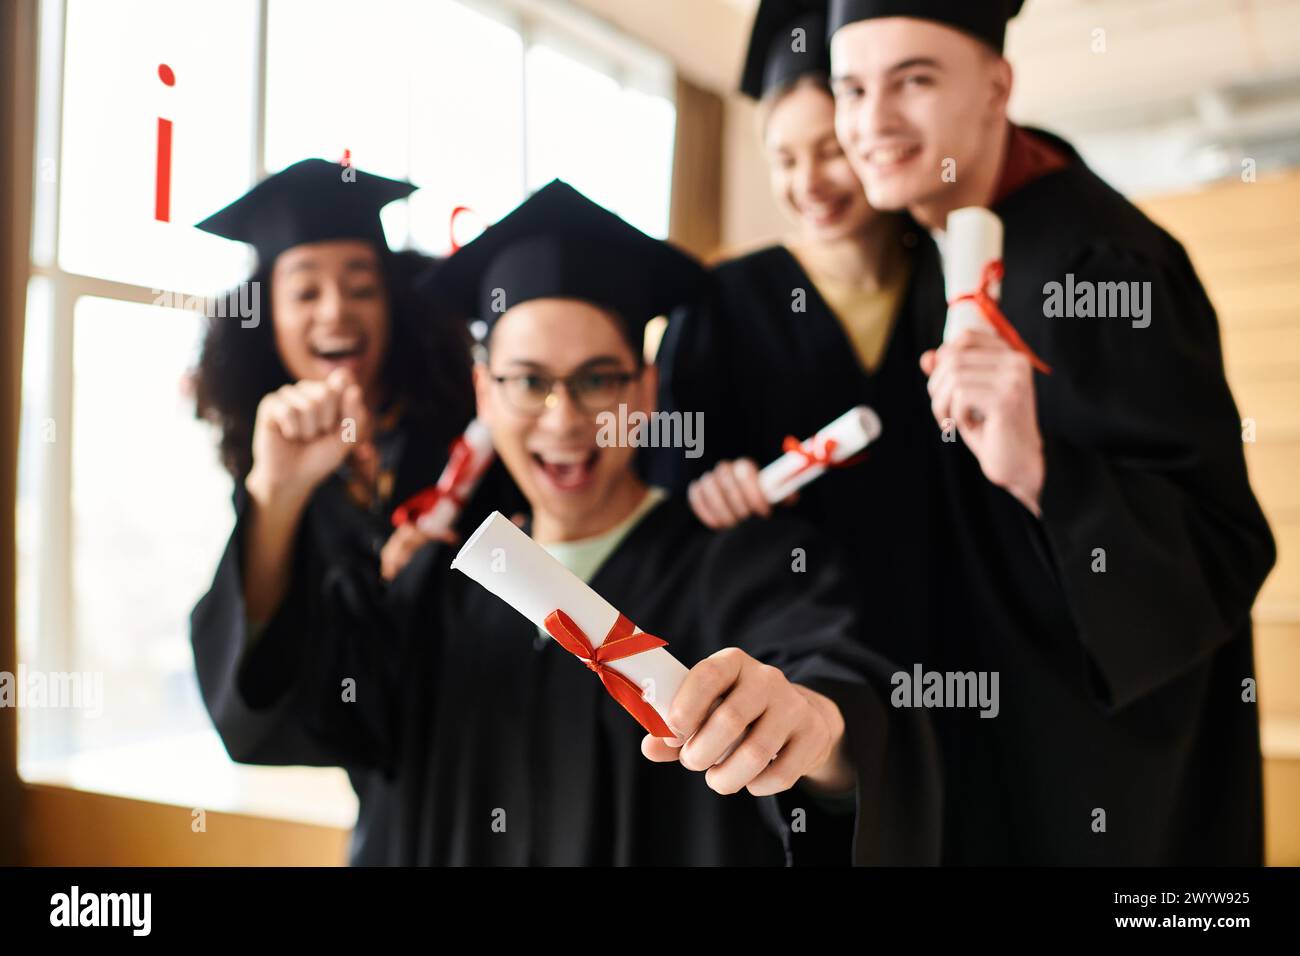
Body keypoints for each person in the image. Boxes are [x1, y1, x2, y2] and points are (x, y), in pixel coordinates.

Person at [219, 179, 940, 865]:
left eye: (598, 379)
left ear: (647, 387)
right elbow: (294, 711)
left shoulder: (743, 564)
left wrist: (813, 730)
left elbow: (837, 704)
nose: (564, 419)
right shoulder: (435, 584)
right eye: (528, 381)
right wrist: (275, 497)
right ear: (484, 392)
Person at [827, 0, 1276, 863]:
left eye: (913, 80)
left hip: (1092, 781)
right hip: (973, 734)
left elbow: (1221, 547)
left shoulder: (1104, 264)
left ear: (997, 86)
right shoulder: (932, 238)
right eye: (852, 88)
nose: (872, 122)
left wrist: (1042, 470)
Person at [189, 158, 501, 865]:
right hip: (395, 819)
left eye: (362, 287)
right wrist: (279, 494)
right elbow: (251, 701)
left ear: (396, 302)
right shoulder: (277, 465)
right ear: (267, 320)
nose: (335, 311)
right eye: (305, 292)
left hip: (517, 771)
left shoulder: (476, 439)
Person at [653, 0, 939, 665]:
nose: (808, 182)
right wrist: (708, 486)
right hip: (790, 643)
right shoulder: (720, 301)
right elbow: (671, 474)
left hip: (943, 628)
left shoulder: (946, 281)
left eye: (830, 151)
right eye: (784, 160)